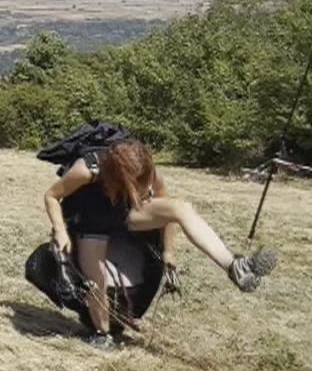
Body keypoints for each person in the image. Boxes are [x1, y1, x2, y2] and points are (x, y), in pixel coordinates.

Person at [44, 137, 278, 351]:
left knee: (181, 207)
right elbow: (51, 196)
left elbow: (164, 207)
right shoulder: (87, 170)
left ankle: (234, 266)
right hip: (90, 218)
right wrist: (61, 231)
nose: (146, 188)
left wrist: (168, 251)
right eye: (138, 184)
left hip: (124, 210)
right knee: (96, 279)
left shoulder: (145, 168)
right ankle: (102, 333)